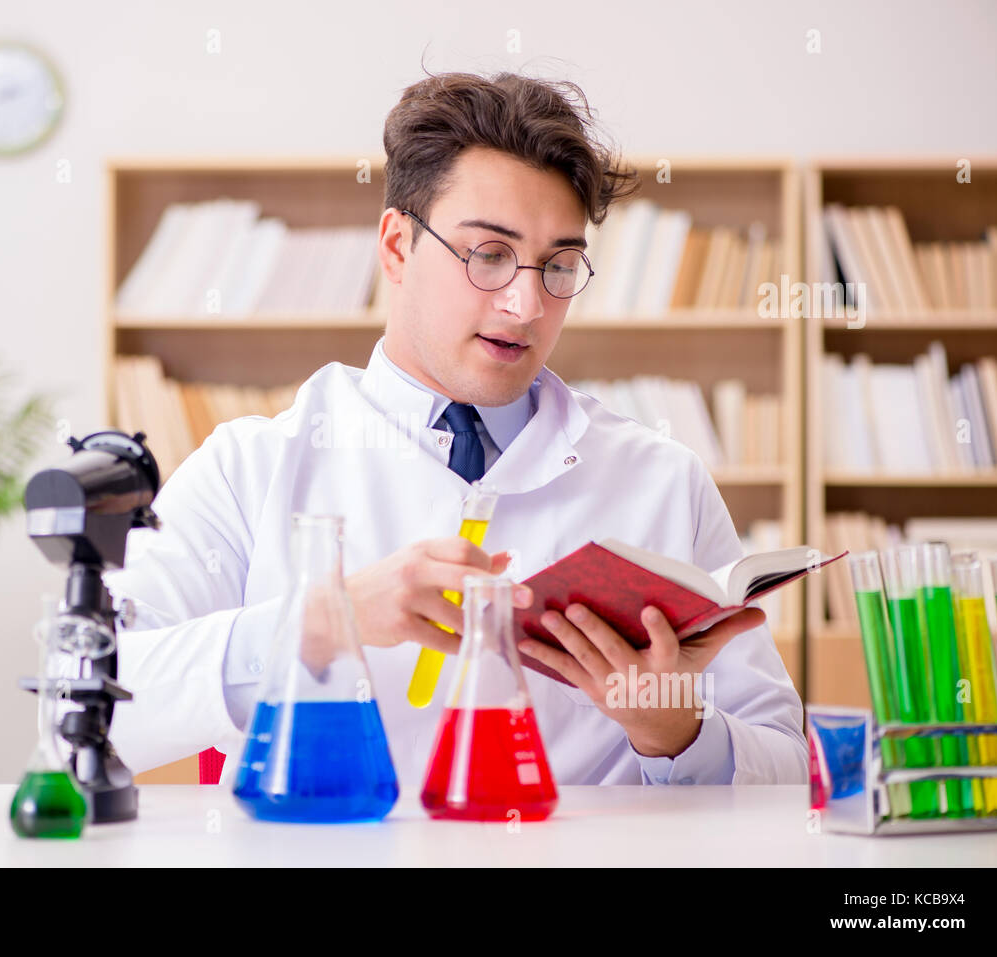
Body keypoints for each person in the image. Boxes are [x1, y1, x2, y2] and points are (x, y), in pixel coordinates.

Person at [103, 70, 807, 786]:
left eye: (559, 265)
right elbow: (98, 713)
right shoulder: (249, 467)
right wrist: (324, 618)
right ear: (397, 246)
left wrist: (673, 731)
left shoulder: (662, 478)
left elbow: (786, 766)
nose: (527, 303)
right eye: (489, 254)